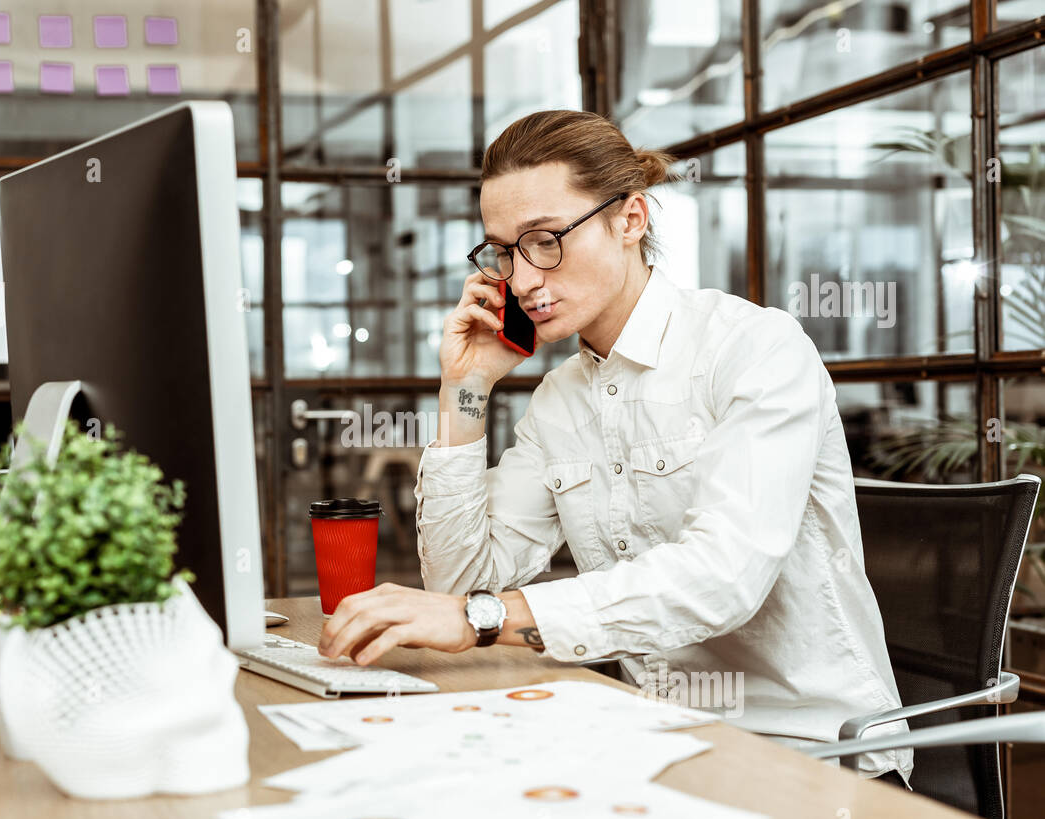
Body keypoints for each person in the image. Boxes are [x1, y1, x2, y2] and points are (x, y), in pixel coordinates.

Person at [318, 109, 912, 783]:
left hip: (813, 754)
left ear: (630, 220)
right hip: (650, 738)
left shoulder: (754, 349)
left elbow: (721, 578)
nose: (520, 280)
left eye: (545, 240)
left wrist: (484, 616)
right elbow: (460, 588)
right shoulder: (560, 400)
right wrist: (467, 385)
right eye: (504, 251)